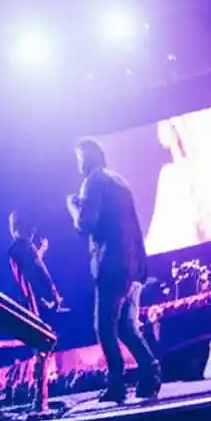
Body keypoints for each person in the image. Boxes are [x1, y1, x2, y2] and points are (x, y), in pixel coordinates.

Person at [67, 140, 161, 403]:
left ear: (89, 157)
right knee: (127, 326)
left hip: (111, 265)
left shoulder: (93, 182)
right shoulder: (119, 181)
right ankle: (150, 372)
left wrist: (74, 207)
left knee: (104, 327)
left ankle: (117, 383)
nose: (79, 164)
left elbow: (86, 224)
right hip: (133, 264)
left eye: (79, 158)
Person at [6, 211, 62, 410]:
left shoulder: (15, 248)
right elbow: (39, 272)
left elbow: (30, 266)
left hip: (25, 306)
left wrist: (41, 251)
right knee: (42, 348)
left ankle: (39, 399)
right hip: (33, 307)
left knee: (40, 350)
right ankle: (40, 401)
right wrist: (53, 295)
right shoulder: (25, 247)